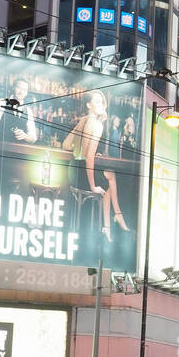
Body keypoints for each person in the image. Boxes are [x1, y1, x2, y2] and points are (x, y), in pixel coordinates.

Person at [62, 89, 130, 242]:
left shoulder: (85, 120)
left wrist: (81, 148)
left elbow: (66, 145)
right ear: (88, 105)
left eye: (102, 102)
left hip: (72, 170)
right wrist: (93, 186)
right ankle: (111, 223)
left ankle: (112, 221)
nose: (101, 105)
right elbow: (88, 159)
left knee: (110, 175)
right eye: (97, 102)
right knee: (106, 185)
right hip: (81, 175)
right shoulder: (96, 125)